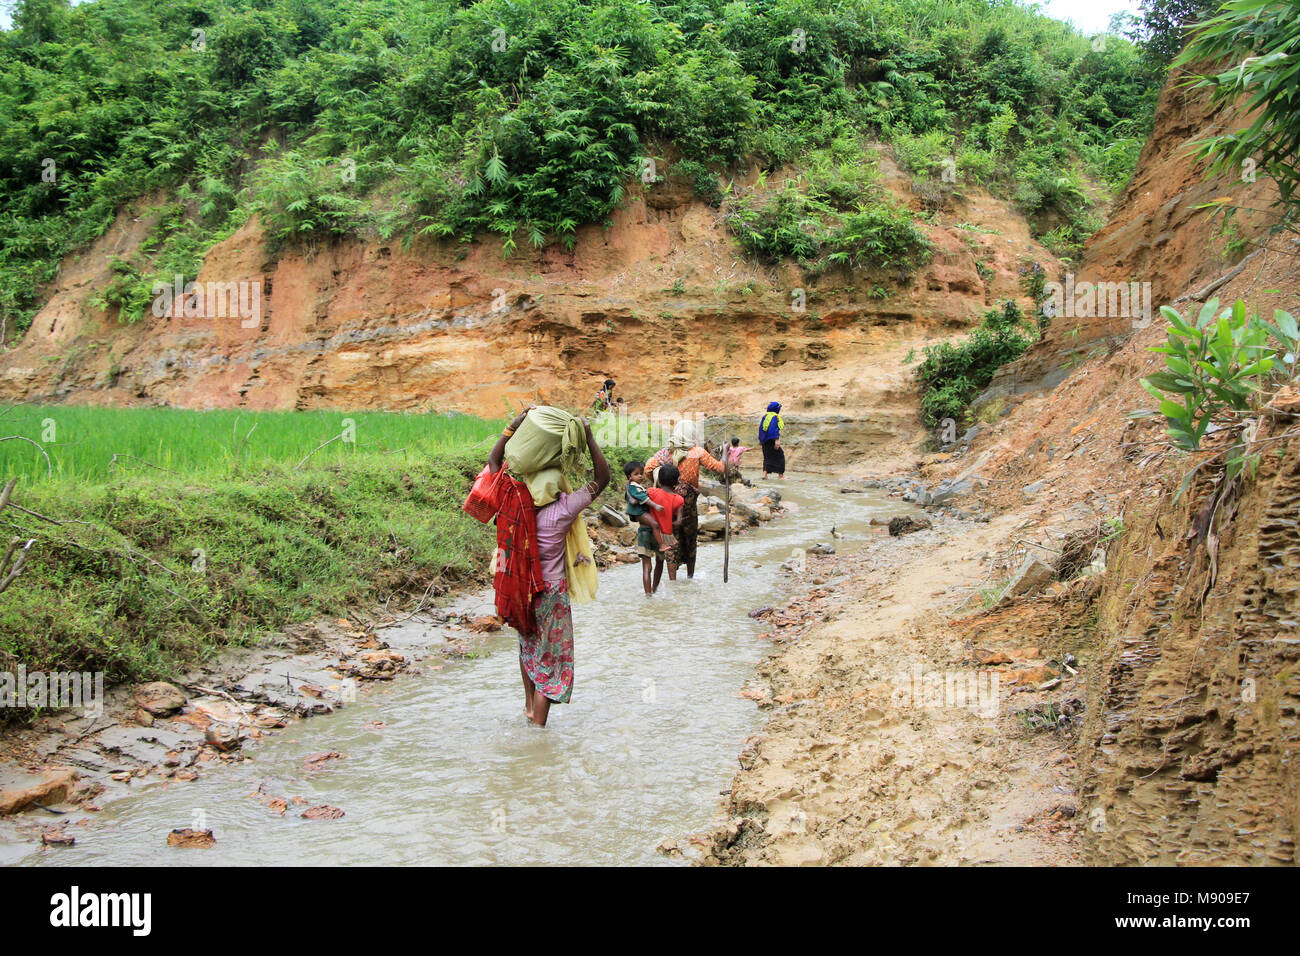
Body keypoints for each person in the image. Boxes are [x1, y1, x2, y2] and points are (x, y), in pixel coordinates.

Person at [487, 407, 610, 727]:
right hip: (551, 595)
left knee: (528, 647)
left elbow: (493, 463)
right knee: (550, 661)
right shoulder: (563, 510)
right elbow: (603, 478)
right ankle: (538, 732)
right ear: (558, 486)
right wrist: (591, 437)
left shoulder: (512, 499)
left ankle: (529, 708)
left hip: (521, 590)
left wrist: (512, 426)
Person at [644, 420, 725, 579]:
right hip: (688, 506)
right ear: (691, 434)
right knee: (690, 539)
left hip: (667, 505)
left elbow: (648, 470)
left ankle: (672, 580)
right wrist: (725, 452)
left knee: (670, 538)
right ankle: (690, 576)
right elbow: (720, 468)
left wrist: (661, 482)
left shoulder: (664, 453)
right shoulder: (697, 452)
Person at [641, 463, 684, 594]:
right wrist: (670, 523)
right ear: (677, 481)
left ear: (658, 480)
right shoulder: (679, 499)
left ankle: (648, 594)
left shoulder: (651, 492)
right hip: (664, 535)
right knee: (659, 563)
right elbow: (678, 521)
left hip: (647, 532)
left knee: (646, 566)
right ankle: (654, 589)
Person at [622, 459, 670, 552]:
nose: (640, 476)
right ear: (629, 477)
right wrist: (655, 505)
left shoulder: (635, 486)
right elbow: (644, 499)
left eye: (641, 473)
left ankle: (660, 544)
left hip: (640, 512)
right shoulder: (633, 487)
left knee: (654, 524)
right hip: (639, 512)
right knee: (655, 524)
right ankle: (661, 545)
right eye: (636, 474)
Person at [759, 401, 785, 479]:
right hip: (771, 440)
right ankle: (781, 476)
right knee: (780, 456)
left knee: (767, 457)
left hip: (765, 440)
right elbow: (772, 429)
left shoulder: (765, 416)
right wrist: (776, 439)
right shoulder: (774, 417)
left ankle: (765, 475)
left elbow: (761, 429)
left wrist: (761, 440)